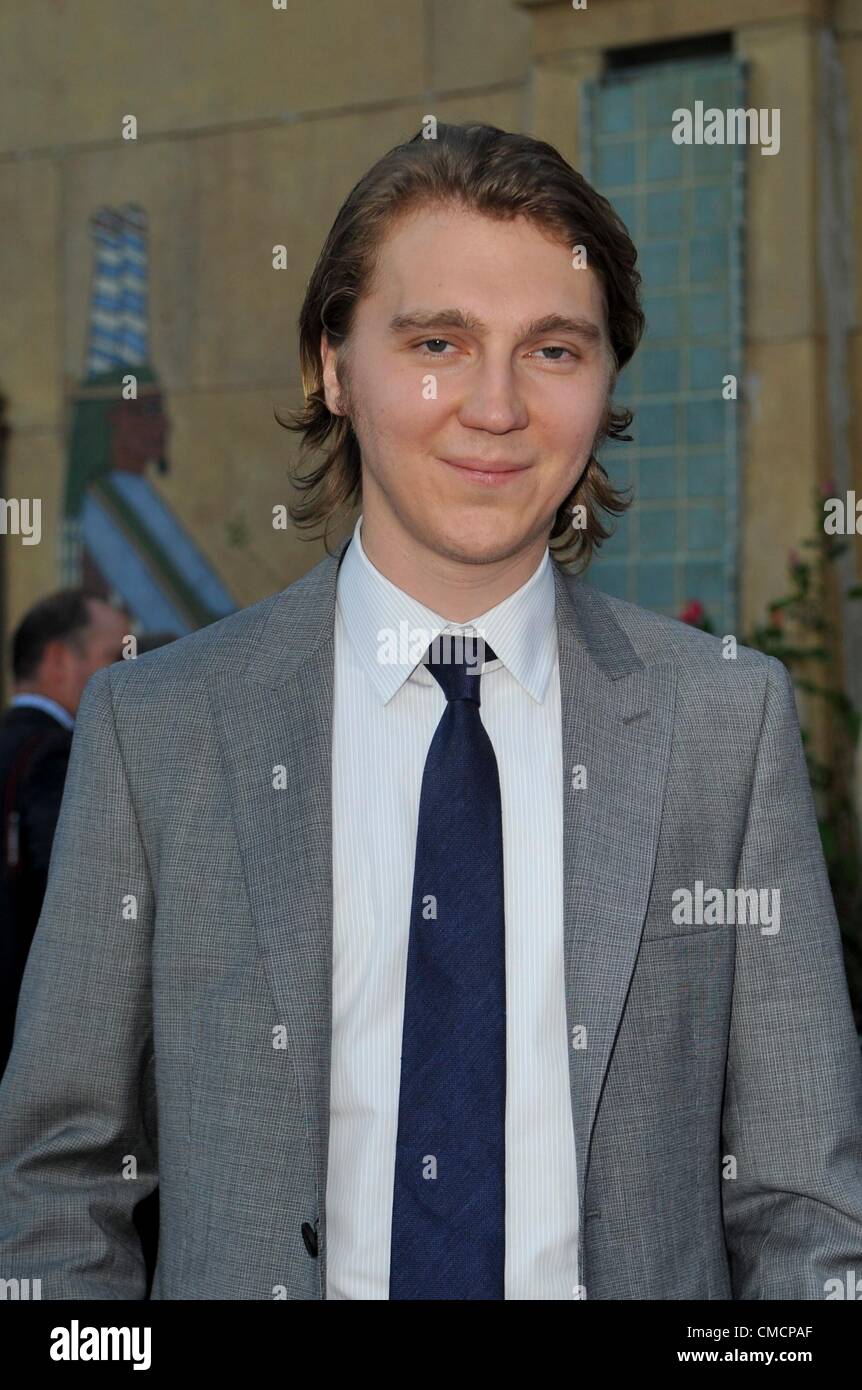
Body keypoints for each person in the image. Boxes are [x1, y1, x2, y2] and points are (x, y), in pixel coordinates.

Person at [1, 122, 861, 1301]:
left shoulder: (725, 726)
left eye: (553, 349)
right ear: (332, 368)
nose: (495, 406)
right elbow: (58, 1178)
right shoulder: (159, 733)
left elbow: (804, 1206)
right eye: (437, 341)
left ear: (607, 380)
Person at [0, 588, 129, 1079]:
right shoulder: (60, 753)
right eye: (115, 656)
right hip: (37, 1044)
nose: (131, 673)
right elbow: (82, 897)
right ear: (58, 660)